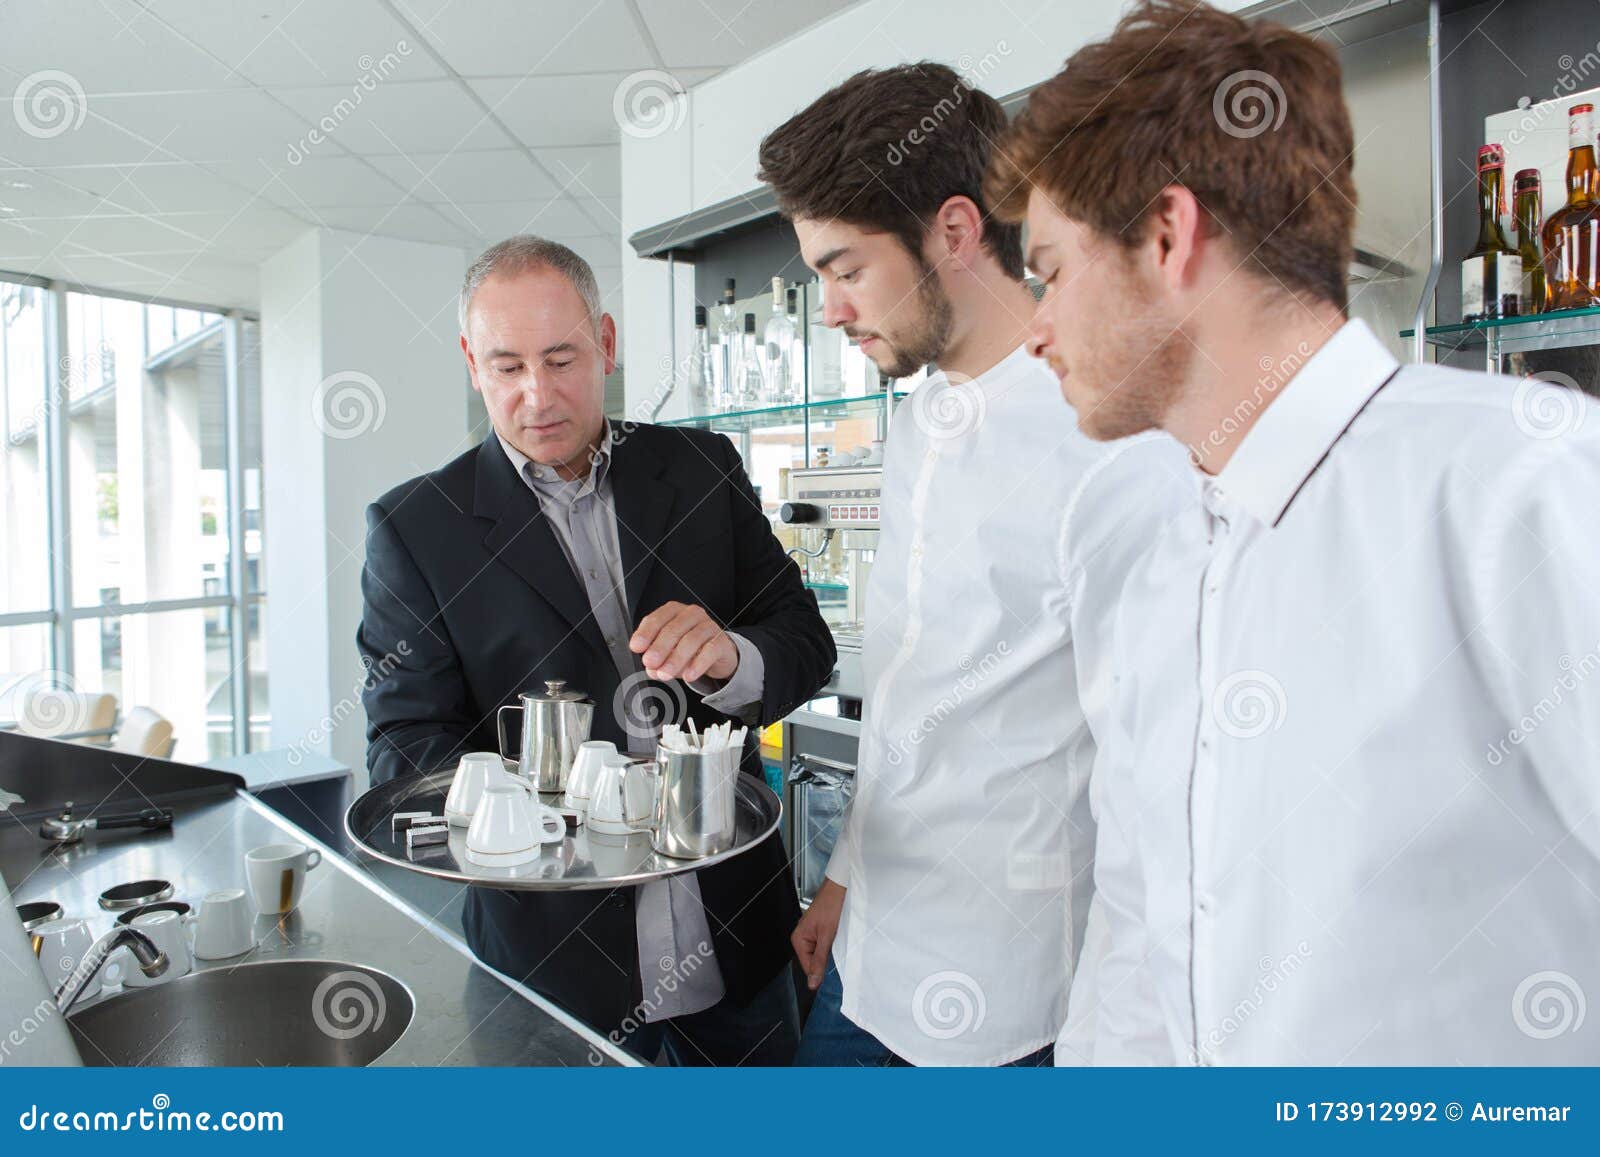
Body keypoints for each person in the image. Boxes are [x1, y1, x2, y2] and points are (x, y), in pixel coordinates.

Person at [989, 0, 1600, 1065]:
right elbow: (1138, 930)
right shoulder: (1137, 533)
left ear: (1167, 236)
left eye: (1051, 270)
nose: (1035, 328)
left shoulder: (1523, 483)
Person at [757, 64, 1191, 1067]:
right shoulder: (918, 422)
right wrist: (842, 878)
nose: (829, 310)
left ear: (955, 231)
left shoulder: (1111, 441)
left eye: (845, 269)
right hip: (869, 954)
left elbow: (1152, 780)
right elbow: (906, 697)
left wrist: (1117, 1043)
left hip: (1010, 998)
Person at [358, 236, 836, 1065]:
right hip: (553, 969)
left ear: (606, 344)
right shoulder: (415, 527)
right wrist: (545, 806)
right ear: (471, 363)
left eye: (561, 359)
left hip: (740, 938)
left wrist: (730, 656)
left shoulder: (703, 468)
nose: (537, 394)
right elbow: (403, 745)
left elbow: (806, 639)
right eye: (507, 366)